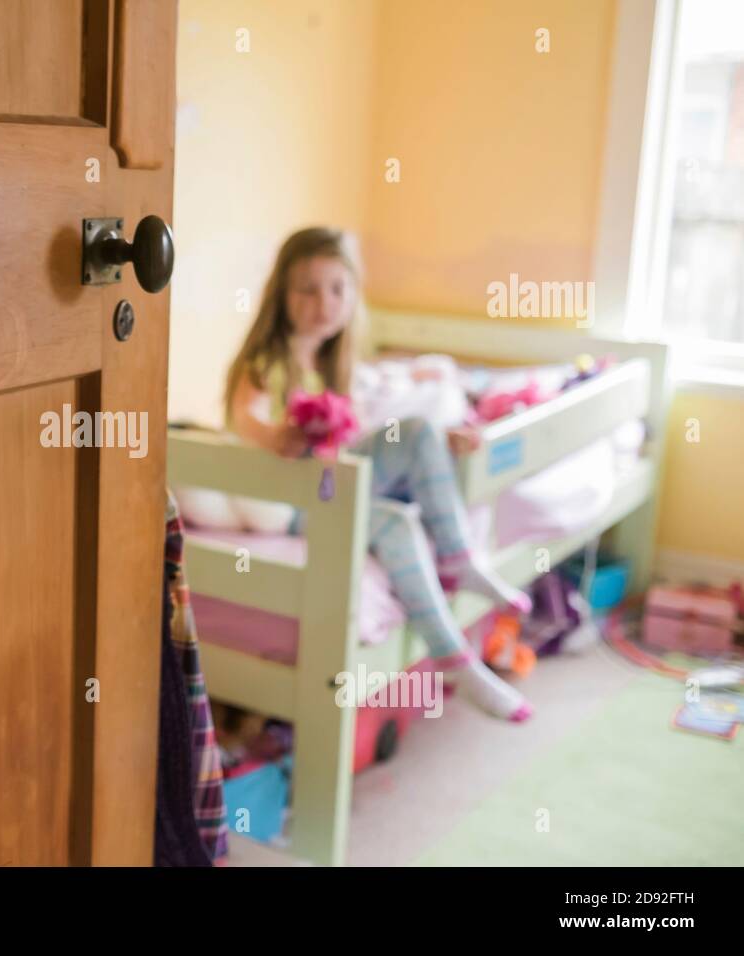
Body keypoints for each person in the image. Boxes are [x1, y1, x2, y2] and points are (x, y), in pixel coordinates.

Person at [224, 227, 533, 721]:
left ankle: (453, 658)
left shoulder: (338, 365)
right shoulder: (269, 362)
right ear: (280, 294)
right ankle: (458, 561)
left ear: (352, 296)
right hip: (294, 500)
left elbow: (353, 436)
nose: (322, 303)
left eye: (336, 289)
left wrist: (445, 444)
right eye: (306, 289)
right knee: (413, 434)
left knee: (400, 515)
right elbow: (245, 416)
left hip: (331, 489)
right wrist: (273, 436)